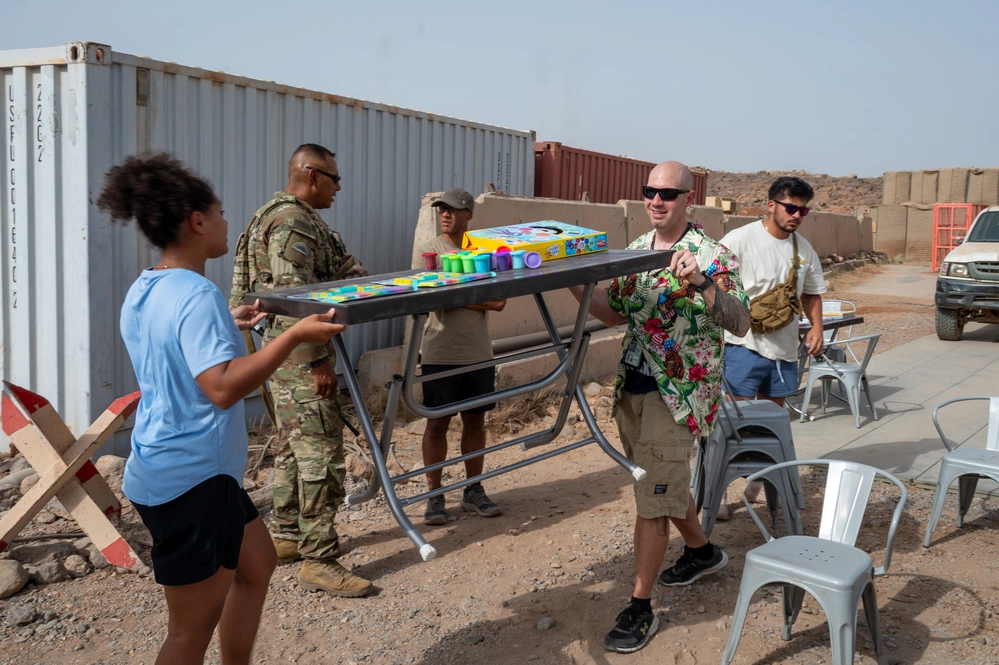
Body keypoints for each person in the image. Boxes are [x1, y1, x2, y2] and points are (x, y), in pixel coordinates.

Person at [101, 153, 345, 665]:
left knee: (256, 566)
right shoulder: (196, 294)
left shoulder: (148, 286)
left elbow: (171, 348)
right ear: (197, 222)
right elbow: (222, 389)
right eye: (221, 214)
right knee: (187, 634)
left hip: (174, 469)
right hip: (194, 482)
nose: (227, 224)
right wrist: (296, 334)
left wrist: (229, 324)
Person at [570, 161, 751, 653]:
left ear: (688, 199)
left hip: (680, 397)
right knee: (662, 483)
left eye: (668, 194)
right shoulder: (633, 253)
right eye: (650, 191)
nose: (656, 200)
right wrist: (576, 282)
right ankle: (702, 551)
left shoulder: (712, 254)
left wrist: (701, 283)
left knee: (652, 496)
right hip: (634, 386)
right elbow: (614, 313)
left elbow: (740, 322)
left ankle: (640, 606)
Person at [229, 143, 372, 597]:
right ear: (312, 175)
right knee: (320, 457)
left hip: (276, 357)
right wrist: (319, 363)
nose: (339, 187)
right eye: (334, 178)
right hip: (296, 359)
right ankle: (320, 559)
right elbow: (297, 304)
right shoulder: (292, 221)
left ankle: (288, 537)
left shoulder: (276, 215)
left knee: (292, 451)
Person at [718, 176, 825, 508]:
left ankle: (756, 486)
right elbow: (714, 276)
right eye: (791, 207)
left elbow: (811, 294)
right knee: (733, 425)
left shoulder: (803, 250)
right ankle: (716, 492)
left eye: (802, 210)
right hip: (743, 347)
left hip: (783, 352)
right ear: (771, 205)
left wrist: (816, 328)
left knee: (768, 427)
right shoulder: (740, 239)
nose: (796, 215)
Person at [411, 188, 506, 525]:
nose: (445, 215)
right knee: (436, 423)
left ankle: (473, 489)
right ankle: (434, 495)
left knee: (476, 421)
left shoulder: (483, 252)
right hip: (439, 350)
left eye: (453, 209)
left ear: (469, 215)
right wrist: (466, 292)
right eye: (441, 210)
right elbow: (430, 299)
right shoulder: (428, 252)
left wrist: (452, 291)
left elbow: (498, 301)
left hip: (478, 351)